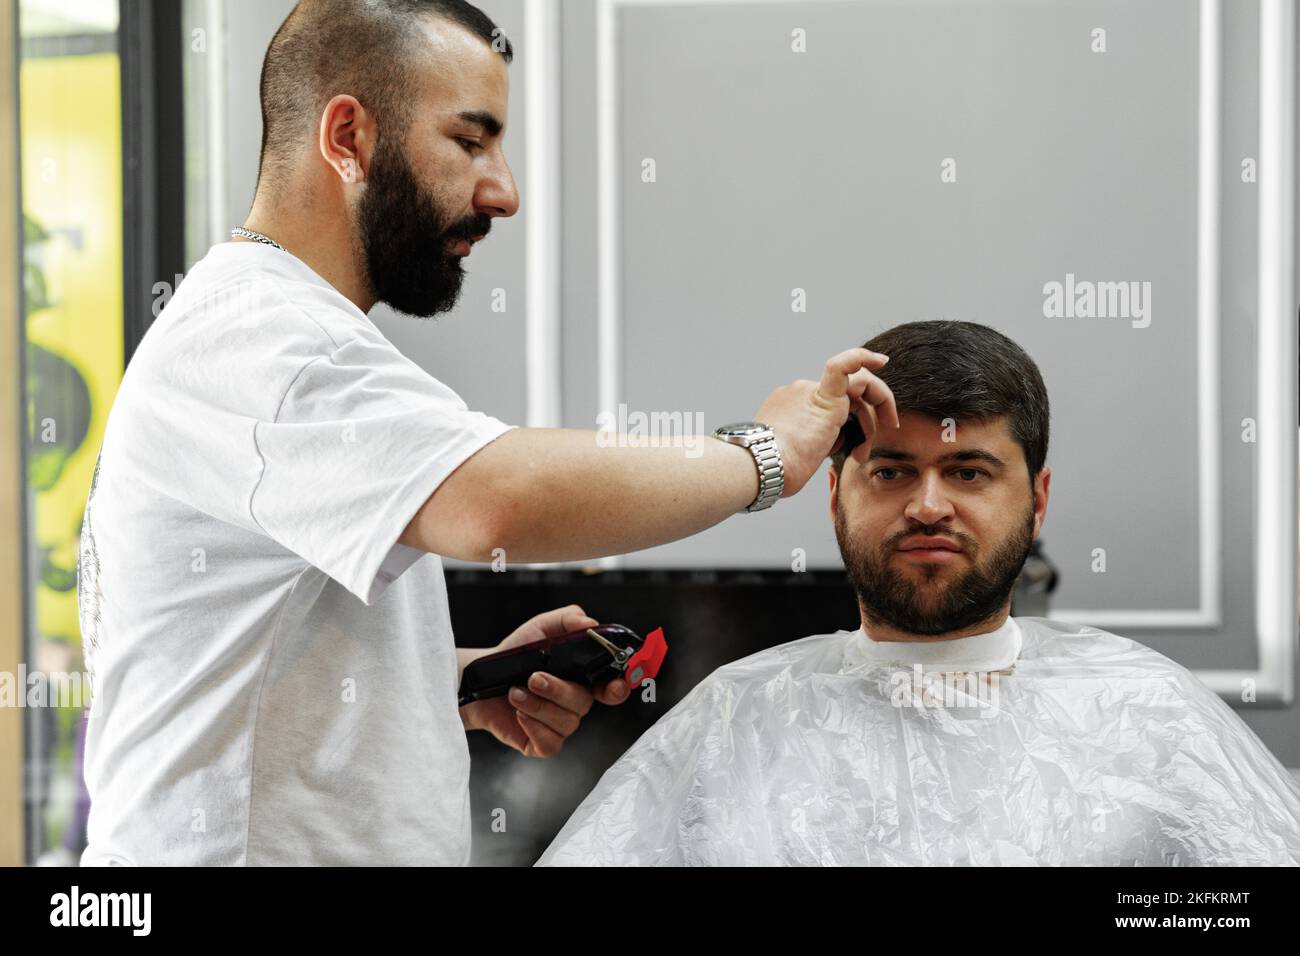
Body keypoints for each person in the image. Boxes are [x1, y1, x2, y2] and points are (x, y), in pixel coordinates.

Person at [76, 0, 898, 865]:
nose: (502, 190)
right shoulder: (263, 338)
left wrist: (461, 679)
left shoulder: (269, 329)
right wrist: (763, 456)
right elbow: (497, 503)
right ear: (348, 136)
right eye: (471, 142)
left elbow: (236, 658)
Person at [538, 320, 1300, 867]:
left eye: (968, 471)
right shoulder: (735, 719)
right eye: (892, 470)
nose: (929, 505)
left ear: (1038, 499)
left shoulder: (1150, 718)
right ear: (833, 493)